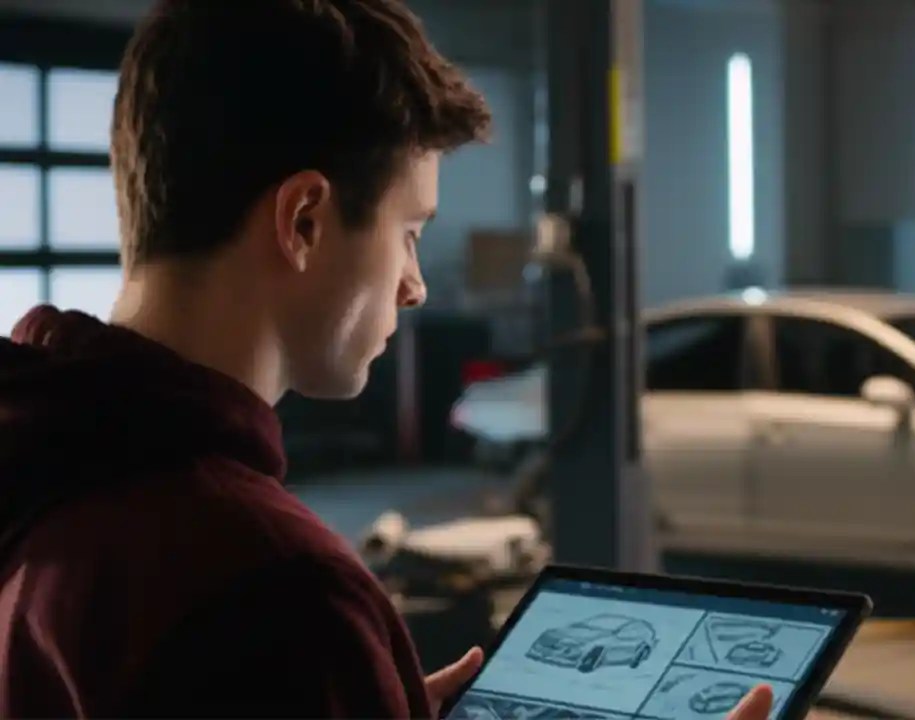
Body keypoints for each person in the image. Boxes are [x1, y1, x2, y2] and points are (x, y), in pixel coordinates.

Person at [0, 1, 775, 718]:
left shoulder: (48, 473)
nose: (415, 286)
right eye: (409, 230)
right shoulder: (276, 587)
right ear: (304, 220)